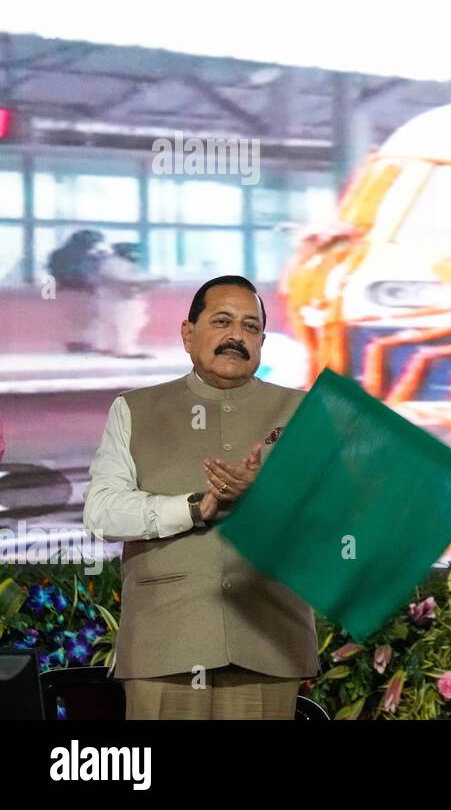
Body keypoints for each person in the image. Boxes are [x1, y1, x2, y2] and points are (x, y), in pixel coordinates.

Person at [84, 275, 319, 719]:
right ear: (188, 334)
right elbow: (102, 512)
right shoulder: (134, 409)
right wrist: (193, 508)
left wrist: (266, 497)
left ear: (263, 342)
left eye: (251, 328)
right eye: (223, 321)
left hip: (267, 644)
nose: (236, 336)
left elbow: (334, 519)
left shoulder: (305, 414)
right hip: (165, 645)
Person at [47, 229, 105, 353]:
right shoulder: (90, 257)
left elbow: (51, 274)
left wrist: (48, 293)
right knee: (87, 319)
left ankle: (73, 344)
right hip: (84, 291)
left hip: (63, 291)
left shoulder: (57, 254)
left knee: (70, 319)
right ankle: (84, 343)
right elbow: (93, 275)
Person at [95, 242, 155, 359]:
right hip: (121, 300)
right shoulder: (115, 263)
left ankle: (109, 347)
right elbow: (126, 279)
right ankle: (125, 350)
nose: (135, 255)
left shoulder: (115, 263)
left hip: (118, 299)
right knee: (126, 325)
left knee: (114, 325)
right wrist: (151, 280)